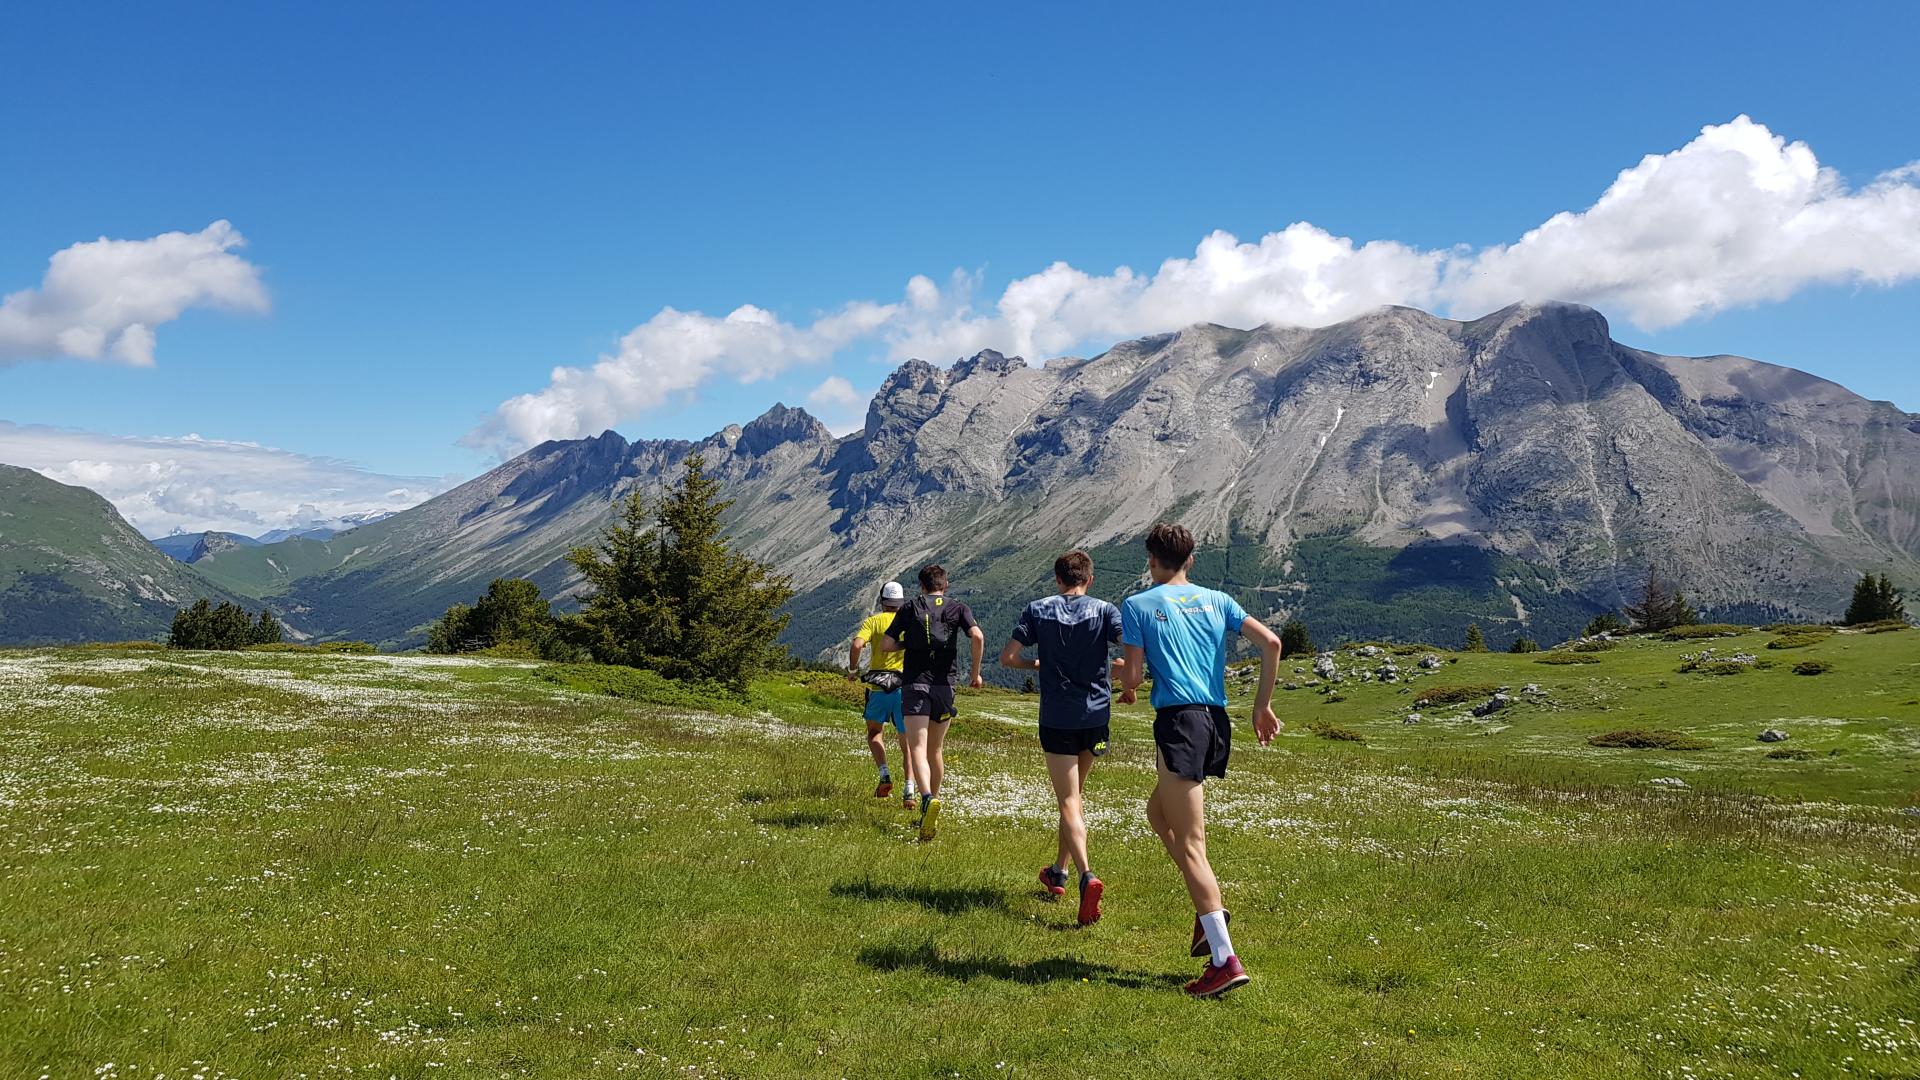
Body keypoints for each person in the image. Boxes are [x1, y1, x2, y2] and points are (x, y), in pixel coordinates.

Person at [1115, 522, 1282, 998]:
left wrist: (1118, 677)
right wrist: (1262, 706)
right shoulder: (1218, 600)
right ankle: (1207, 909)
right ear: (1190, 559)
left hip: (1178, 722)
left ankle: (1224, 958)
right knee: (1157, 813)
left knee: (1191, 844)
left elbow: (1133, 677)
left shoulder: (1138, 605)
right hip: (1214, 722)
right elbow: (1271, 643)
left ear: (1151, 560)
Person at [1000, 550, 1122, 926]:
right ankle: (1059, 872)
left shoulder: (1038, 610)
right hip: (1096, 718)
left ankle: (1086, 875)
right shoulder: (1105, 611)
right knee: (1075, 798)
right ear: (1090, 579)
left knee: (1069, 801)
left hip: (1058, 718)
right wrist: (1120, 675)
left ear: (1057, 579)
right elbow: (1129, 652)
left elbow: (1008, 657)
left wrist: (1034, 664)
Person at [876, 564, 983, 841]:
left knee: (918, 748)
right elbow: (977, 636)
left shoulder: (909, 608)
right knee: (936, 750)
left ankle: (926, 799)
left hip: (915, 685)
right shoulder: (959, 608)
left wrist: (908, 645)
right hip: (945, 686)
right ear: (945, 585)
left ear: (921, 586)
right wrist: (975, 674)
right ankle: (933, 801)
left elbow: (886, 645)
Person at [848, 581, 916, 807]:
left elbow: (857, 645)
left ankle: (885, 774)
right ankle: (909, 790)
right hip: (904, 687)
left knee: (874, 733)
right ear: (901, 602)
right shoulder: (909, 622)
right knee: (907, 742)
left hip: (877, 687)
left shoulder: (873, 622)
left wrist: (853, 670)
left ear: (882, 600)